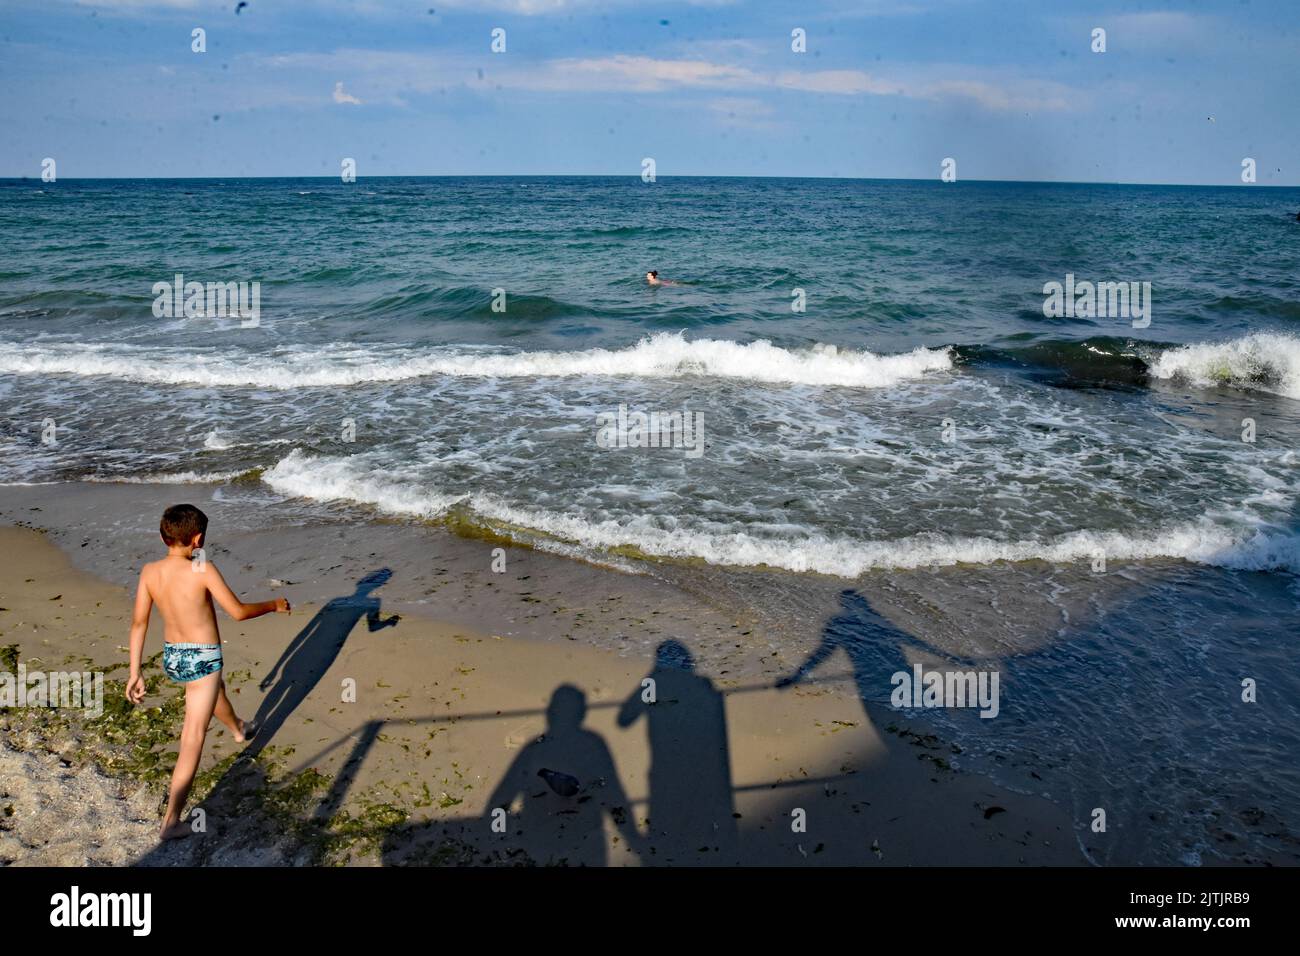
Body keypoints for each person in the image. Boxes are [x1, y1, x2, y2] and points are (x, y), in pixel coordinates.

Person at [125, 503, 290, 839]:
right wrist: (273, 604)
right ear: (198, 538)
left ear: (163, 536)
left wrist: (135, 672)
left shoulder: (149, 571)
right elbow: (238, 612)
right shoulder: (204, 569)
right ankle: (171, 821)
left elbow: (139, 622)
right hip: (203, 657)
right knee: (192, 737)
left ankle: (239, 729)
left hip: (173, 656)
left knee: (215, 691)